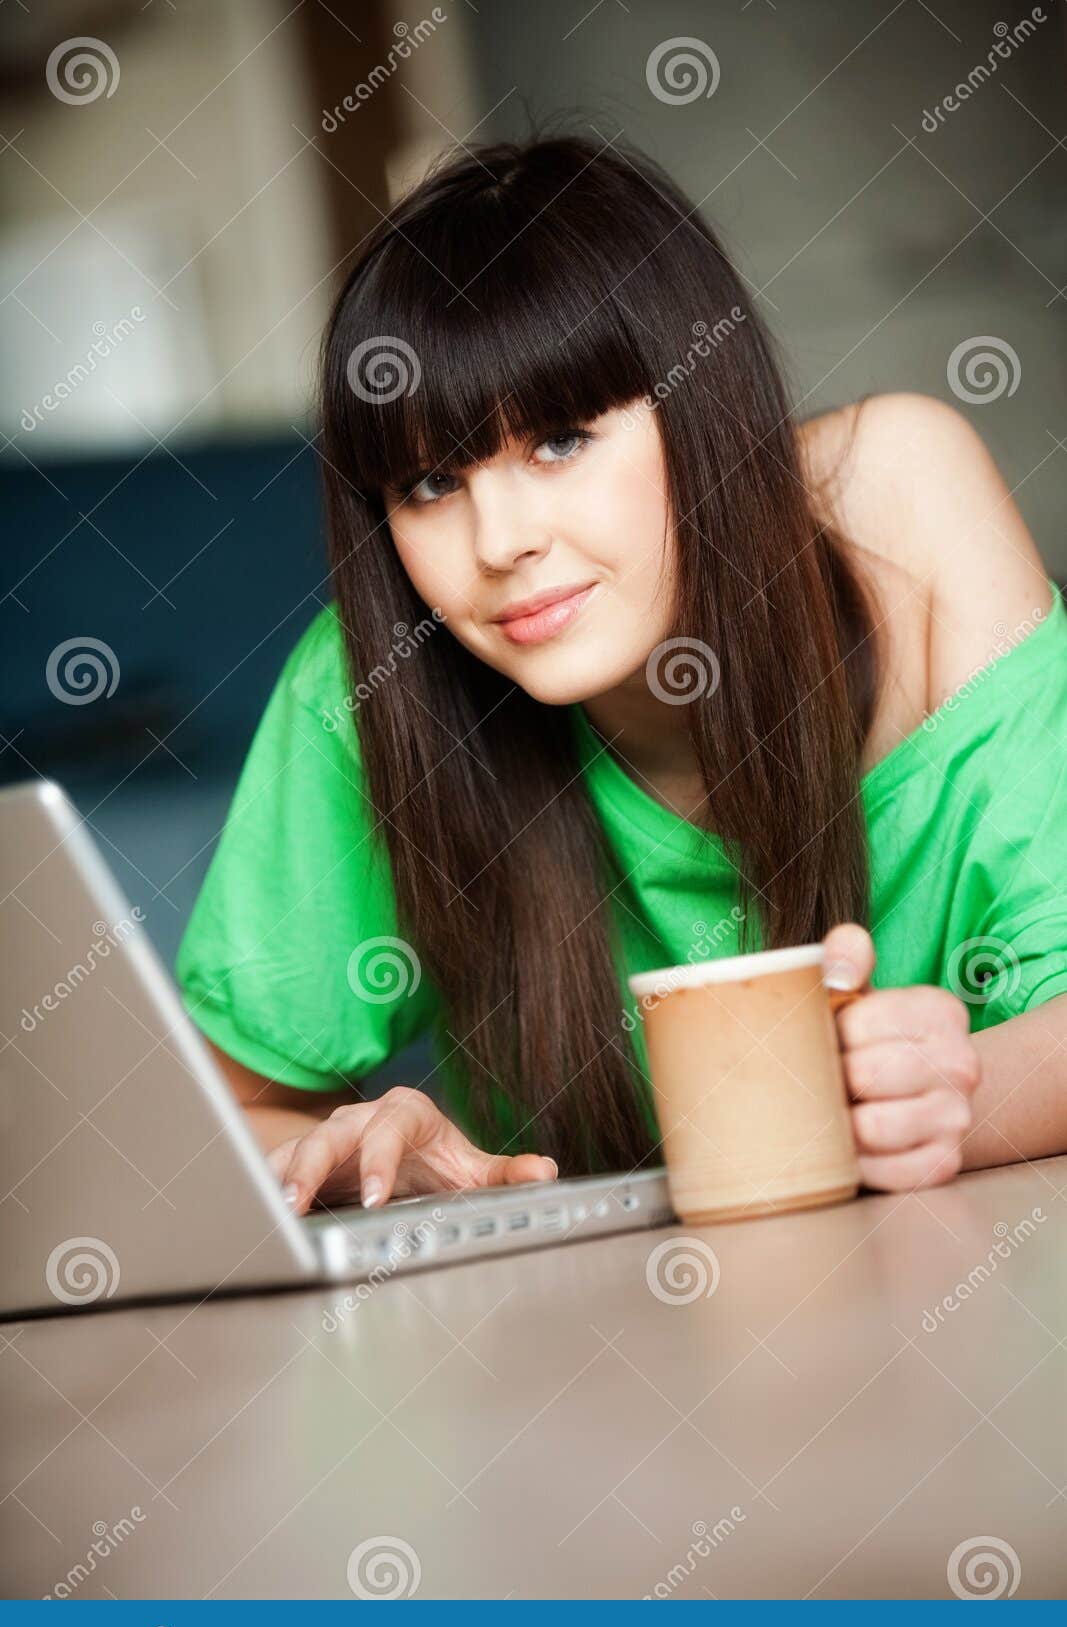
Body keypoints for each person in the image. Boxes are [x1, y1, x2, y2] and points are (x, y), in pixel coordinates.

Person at [175, 133, 1067, 1218]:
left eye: (558, 441)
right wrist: (363, 1158)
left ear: (703, 409)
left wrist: (942, 1104)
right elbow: (212, 1127)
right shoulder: (373, 682)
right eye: (428, 481)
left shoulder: (893, 501)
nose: (499, 541)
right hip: (603, 1360)